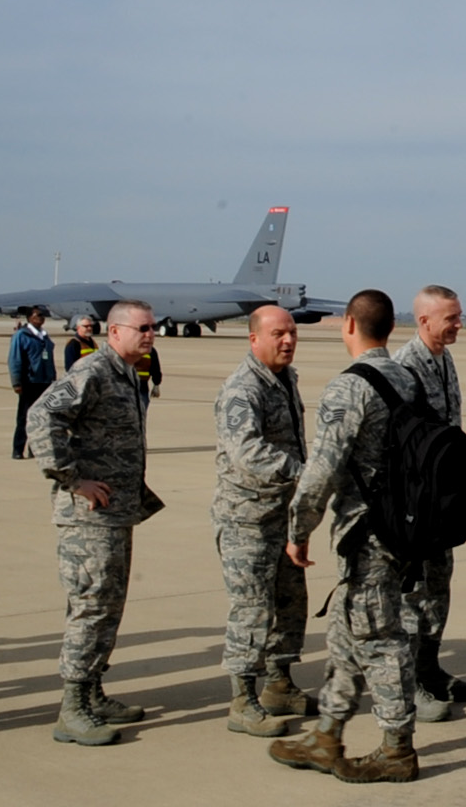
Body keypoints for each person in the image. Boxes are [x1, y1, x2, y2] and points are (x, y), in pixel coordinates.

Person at [271, 290, 423, 783]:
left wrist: (298, 531)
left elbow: (321, 471)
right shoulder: (408, 378)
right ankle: (328, 732)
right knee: (344, 631)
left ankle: (396, 747)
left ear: (350, 326)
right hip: (403, 527)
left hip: (370, 533)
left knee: (381, 638)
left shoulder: (350, 387)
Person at [28, 300, 164, 746]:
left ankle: (92, 691)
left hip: (115, 513)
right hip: (88, 519)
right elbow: (42, 415)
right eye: (143, 329)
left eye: (152, 328)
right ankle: (72, 709)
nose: (150, 336)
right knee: (91, 607)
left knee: (108, 607)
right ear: (116, 331)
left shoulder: (126, 372)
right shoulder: (94, 370)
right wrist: (72, 479)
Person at [212, 305, 313, 738]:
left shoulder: (286, 379)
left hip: (283, 513)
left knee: (290, 603)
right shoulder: (243, 388)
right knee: (252, 607)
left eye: (291, 332)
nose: (288, 340)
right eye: (278, 334)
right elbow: (247, 452)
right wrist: (304, 471)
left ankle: (279, 682)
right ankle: (242, 698)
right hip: (247, 519)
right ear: (254, 339)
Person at [393, 285, 466, 721]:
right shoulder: (406, 367)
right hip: (418, 503)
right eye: (451, 318)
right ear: (424, 321)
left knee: (439, 586)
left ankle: (429, 667)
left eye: (459, 315)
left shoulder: (444, 360)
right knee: (415, 591)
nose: (459, 324)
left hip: (443, 498)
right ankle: (408, 682)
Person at [9, 305, 57, 459]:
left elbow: (49, 359)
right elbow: (14, 360)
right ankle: (18, 449)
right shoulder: (22, 336)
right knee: (24, 417)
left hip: (45, 382)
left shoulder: (44, 336)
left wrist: (53, 377)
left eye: (43, 315)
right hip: (29, 382)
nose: (41, 318)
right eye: (38, 315)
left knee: (42, 418)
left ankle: (34, 448)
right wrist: (17, 382)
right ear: (30, 317)